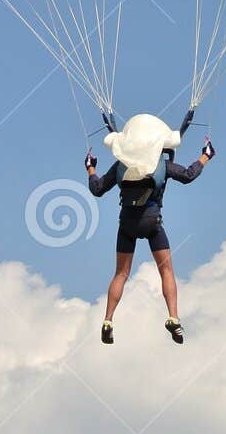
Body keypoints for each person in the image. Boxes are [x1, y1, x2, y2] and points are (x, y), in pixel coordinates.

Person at [87, 130, 215, 345]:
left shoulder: (120, 167)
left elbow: (97, 188)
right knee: (166, 270)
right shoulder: (161, 165)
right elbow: (188, 175)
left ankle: (108, 320)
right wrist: (206, 156)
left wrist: (91, 167)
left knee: (121, 273)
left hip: (127, 223)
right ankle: (173, 317)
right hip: (152, 222)